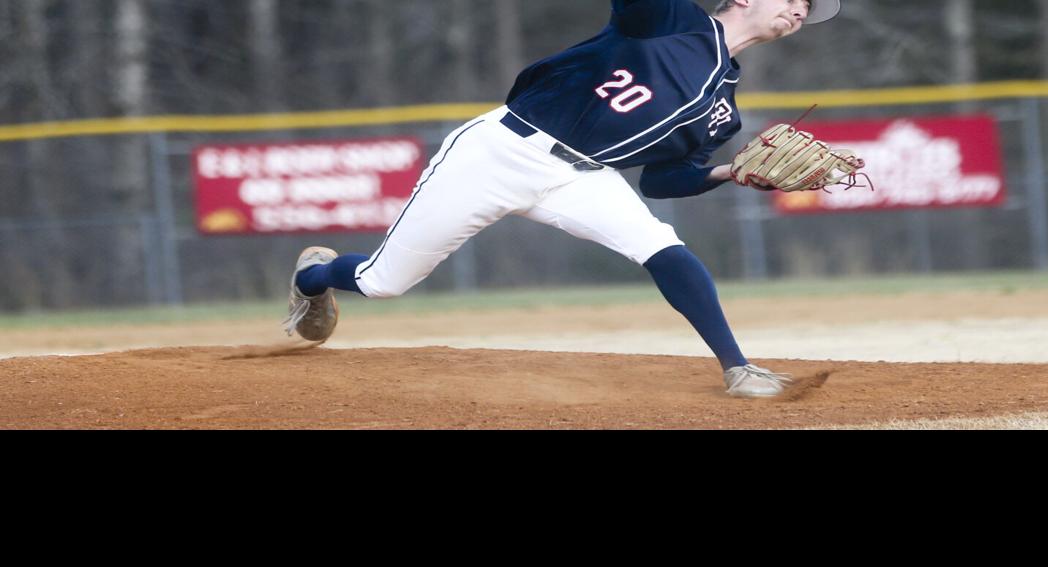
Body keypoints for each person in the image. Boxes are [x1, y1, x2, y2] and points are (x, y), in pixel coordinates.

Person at [284, 0, 842, 398]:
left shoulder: (724, 108)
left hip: (583, 177)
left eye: (808, 9)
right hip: (501, 151)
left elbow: (662, 181)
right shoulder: (674, 20)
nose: (801, 11)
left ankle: (738, 369)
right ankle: (314, 277)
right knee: (383, 284)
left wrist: (727, 172)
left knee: (661, 245)